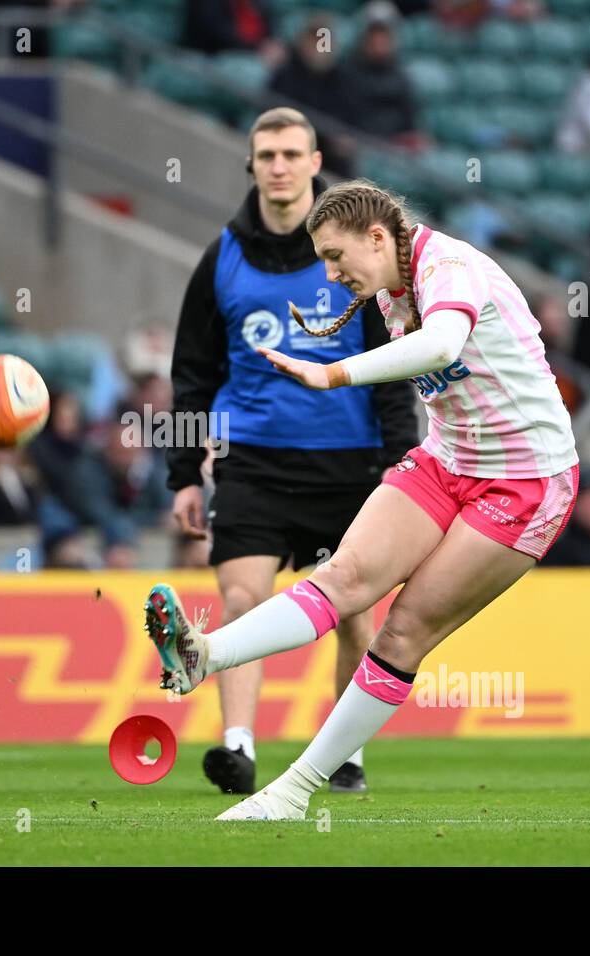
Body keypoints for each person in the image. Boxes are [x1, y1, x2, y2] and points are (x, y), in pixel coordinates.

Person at [145, 179, 580, 820]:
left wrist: (334, 373)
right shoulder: (389, 290)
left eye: (334, 255)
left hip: (527, 480)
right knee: (344, 577)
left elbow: (441, 346)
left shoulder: (449, 266)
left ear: (378, 238)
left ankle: (292, 793)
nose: (329, 271)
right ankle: (202, 655)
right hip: (448, 459)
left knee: (401, 632)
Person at [169, 113, 420, 796]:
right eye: (265, 156)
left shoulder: (357, 255)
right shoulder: (220, 258)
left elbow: (393, 363)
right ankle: (239, 748)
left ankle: (345, 756)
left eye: (290, 154)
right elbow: (191, 374)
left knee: (356, 616)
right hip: (253, 460)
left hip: (353, 464)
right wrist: (184, 474)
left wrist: (406, 460)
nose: (278, 166)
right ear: (251, 167)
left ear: (314, 162)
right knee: (243, 596)